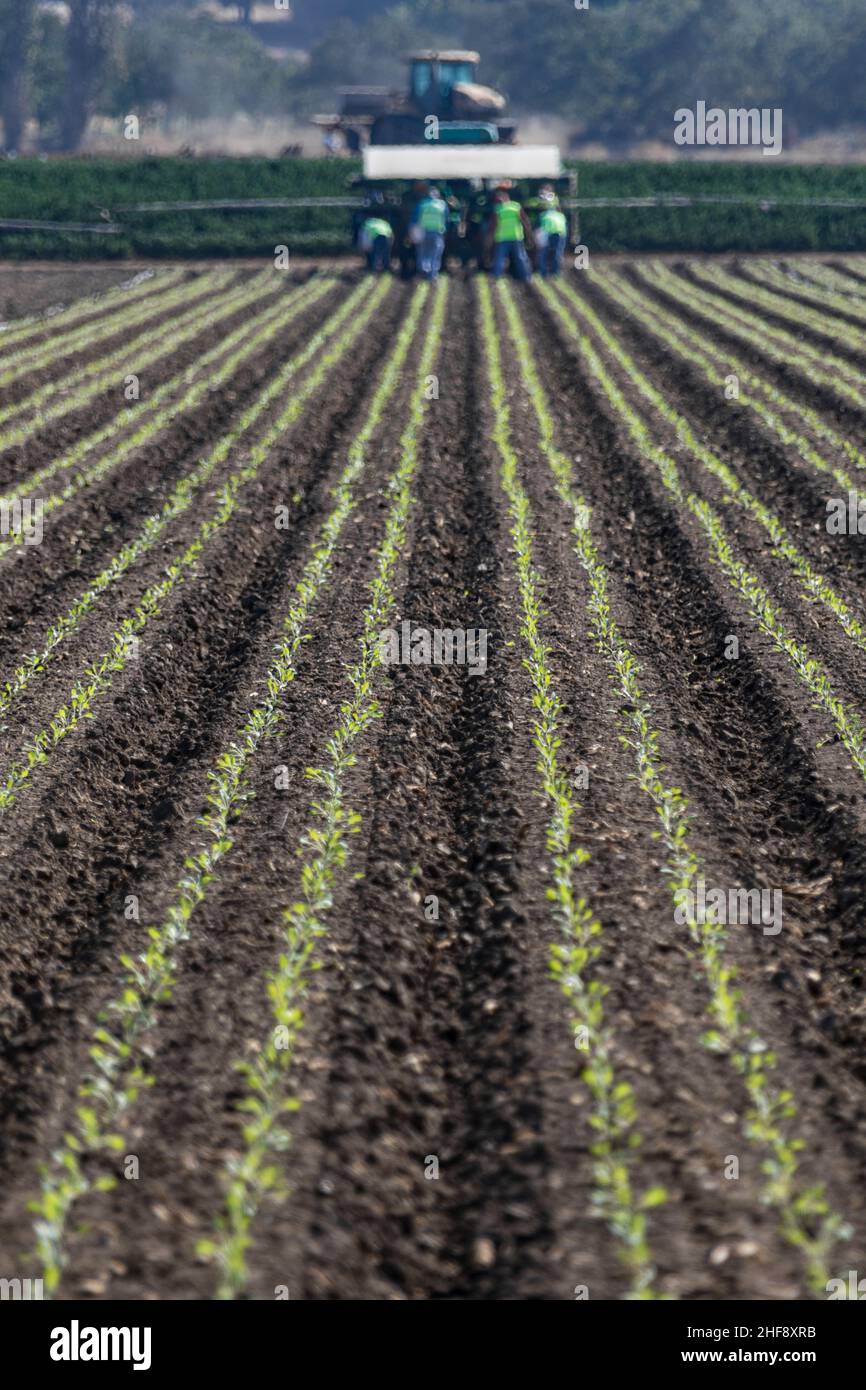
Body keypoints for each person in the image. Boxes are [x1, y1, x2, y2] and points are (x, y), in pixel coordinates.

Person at [488, 189, 533, 281]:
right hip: (516, 236)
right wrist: (529, 235)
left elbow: (494, 225)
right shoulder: (516, 206)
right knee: (521, 257)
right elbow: (525, 221)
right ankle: (527, 277)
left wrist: (491, 237)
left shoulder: (498, 209)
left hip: (502, 237)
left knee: (500, 258)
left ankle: (496, 277)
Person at [413, 185, 448, 281]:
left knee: (423, 253)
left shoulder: (422, 204)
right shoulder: (442, 205)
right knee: (435, 254)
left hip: (423, 232)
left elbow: (415, 219)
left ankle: (423, 273)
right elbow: (446, 219)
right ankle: (432, 275)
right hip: (437, 233)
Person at [538, 199, 568, 277]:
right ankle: (555, 272)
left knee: (543, 253)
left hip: (548, 234)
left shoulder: (543, 215)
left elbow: (540, 229)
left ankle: (543, 272)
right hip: (560, 234)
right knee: (557, 253)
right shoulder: (561, 216)